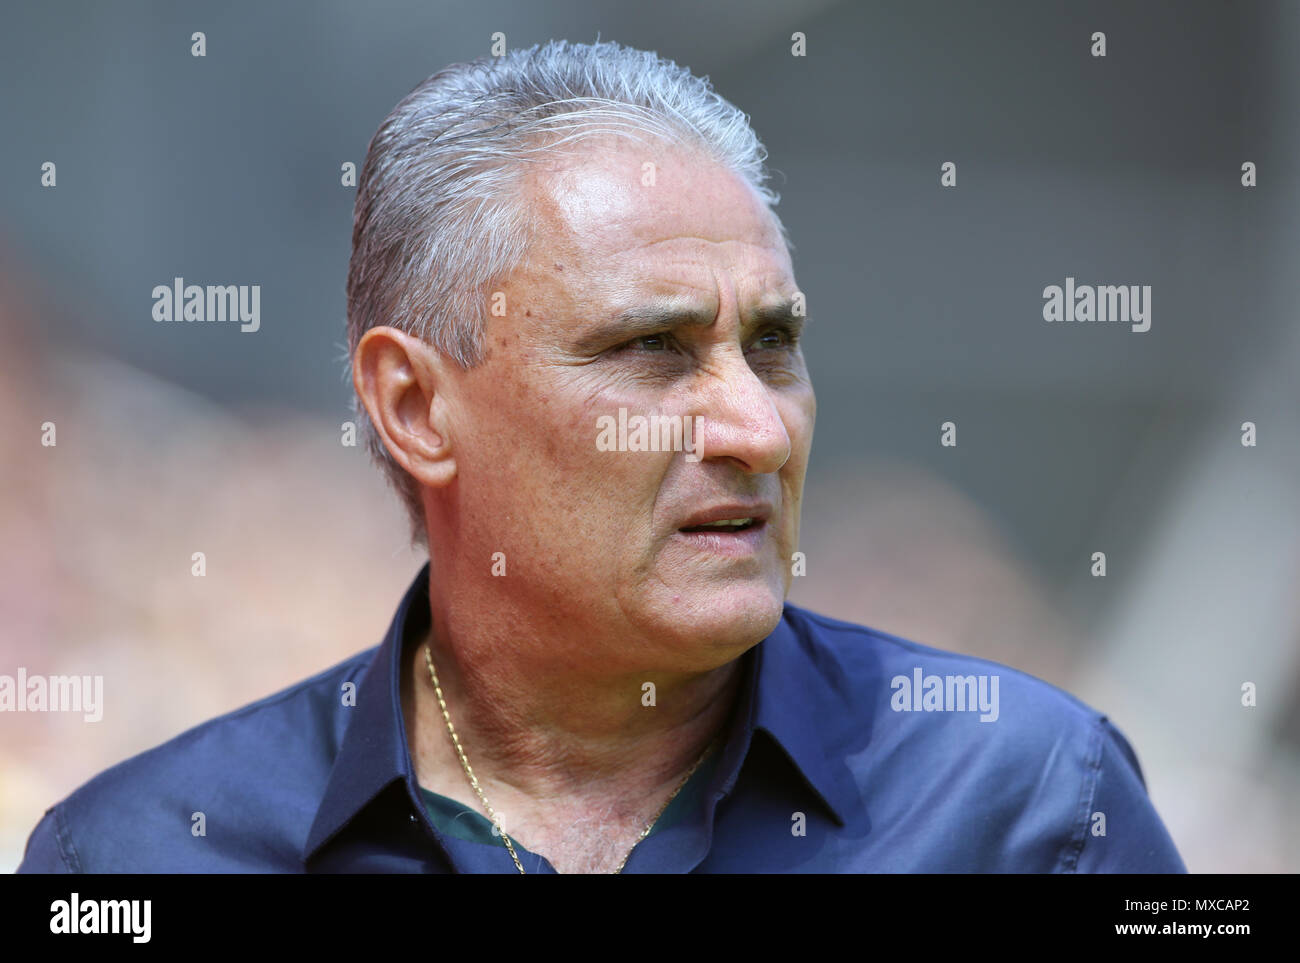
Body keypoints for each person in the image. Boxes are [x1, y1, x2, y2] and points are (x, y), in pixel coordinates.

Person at [18, 39, 1185, 873]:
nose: (759, 429)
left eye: (771, 346)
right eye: (651, 350)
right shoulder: (140, 854)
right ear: (415, 407)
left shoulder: (1029, 802)